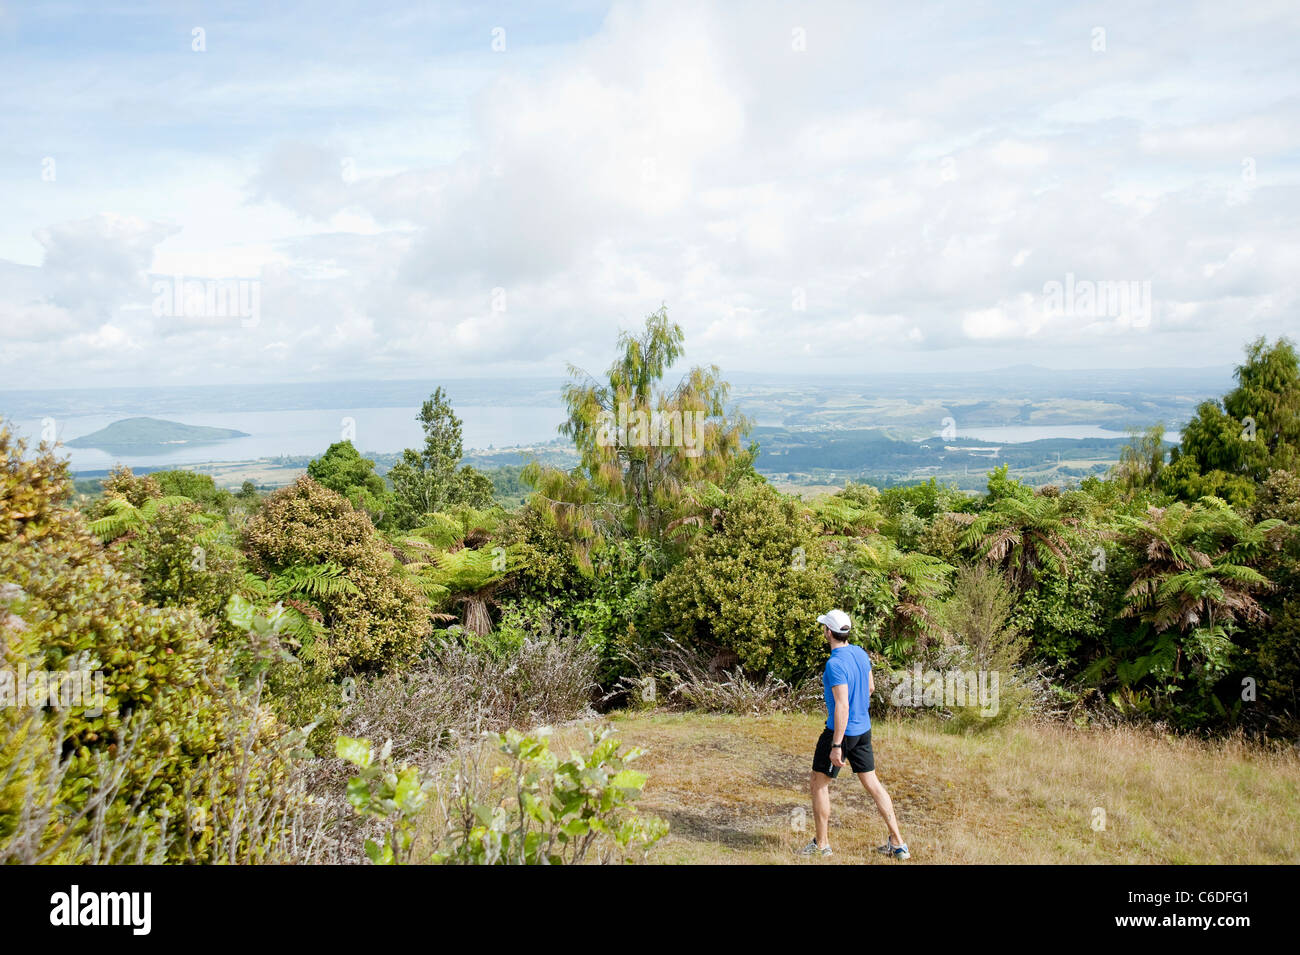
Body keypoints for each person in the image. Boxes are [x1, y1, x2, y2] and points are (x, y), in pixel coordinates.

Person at [800, 608, 910, 860]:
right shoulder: (860, 653)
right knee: (873, 785)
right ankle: (898, 843)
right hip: (863, 730)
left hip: (840, 733)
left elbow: (842, 705)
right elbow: (869, 687)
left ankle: (822, 844)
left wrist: (837, 744)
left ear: (828, 632)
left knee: (818, 784)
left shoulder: (834, 664)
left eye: (823, 628)